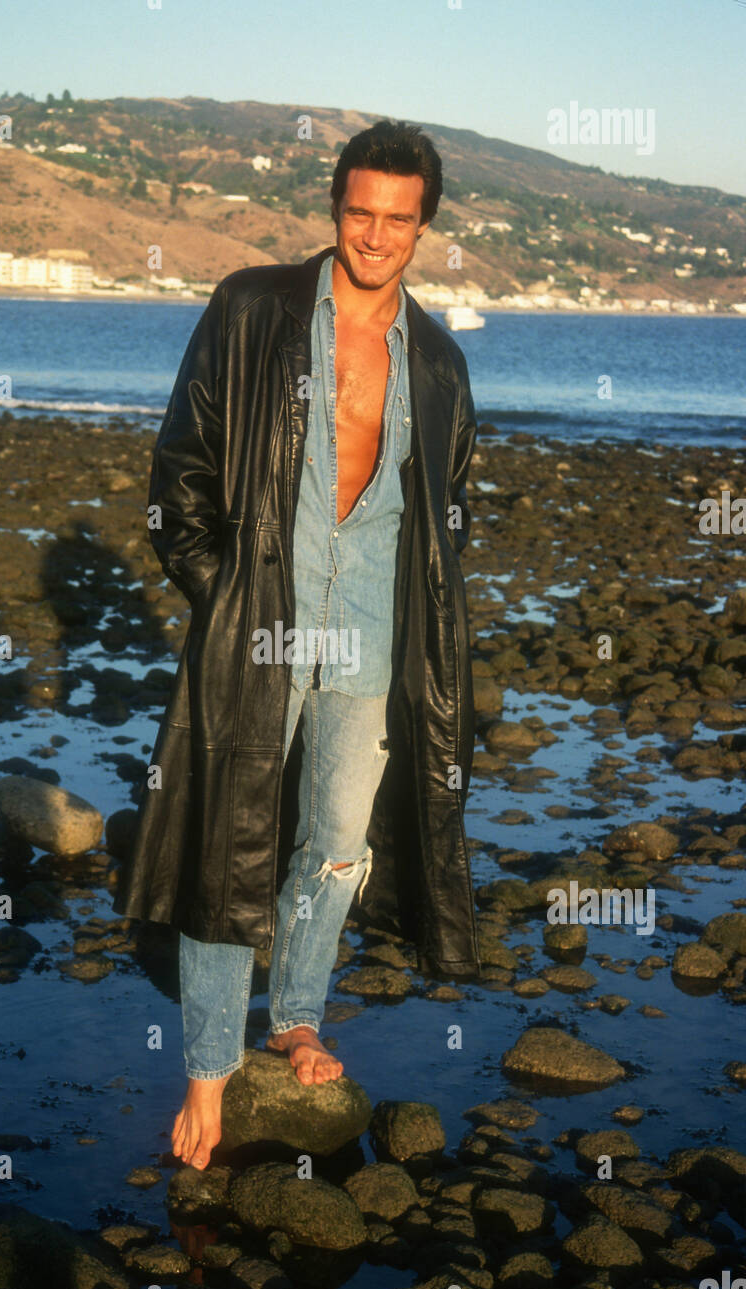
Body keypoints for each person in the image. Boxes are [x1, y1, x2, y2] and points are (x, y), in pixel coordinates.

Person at [112, 120, 481, 1170]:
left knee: (337, 839)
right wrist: (218, 588)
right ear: (335, 207)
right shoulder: (253, 309)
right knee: (230, 834)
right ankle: (207, 1074)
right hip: (263, 616)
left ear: (425, 227)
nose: (374, 234)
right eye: (359, 211)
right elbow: (178, 464)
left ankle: (298, 1015)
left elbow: (444, 515)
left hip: (369, 625)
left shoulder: (442, 363)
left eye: (397, 219)